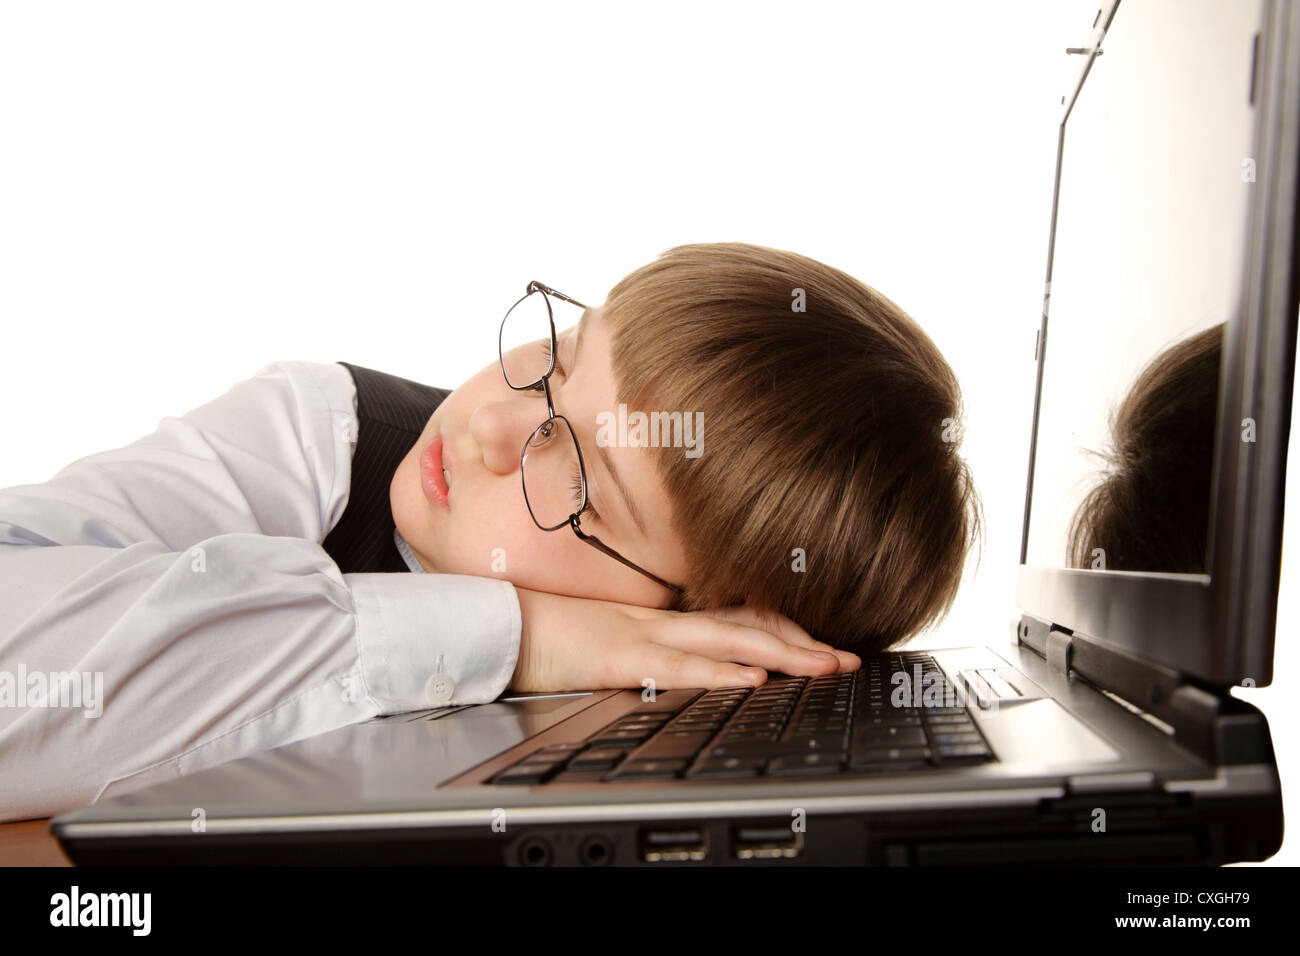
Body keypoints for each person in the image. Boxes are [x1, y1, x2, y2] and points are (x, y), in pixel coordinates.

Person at [0, 241, 982, 821]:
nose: (492, 427)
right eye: (556, 355)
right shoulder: (320, 431)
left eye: (581, 481)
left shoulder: (628, 739)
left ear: (706, 629)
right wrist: (528, 633)